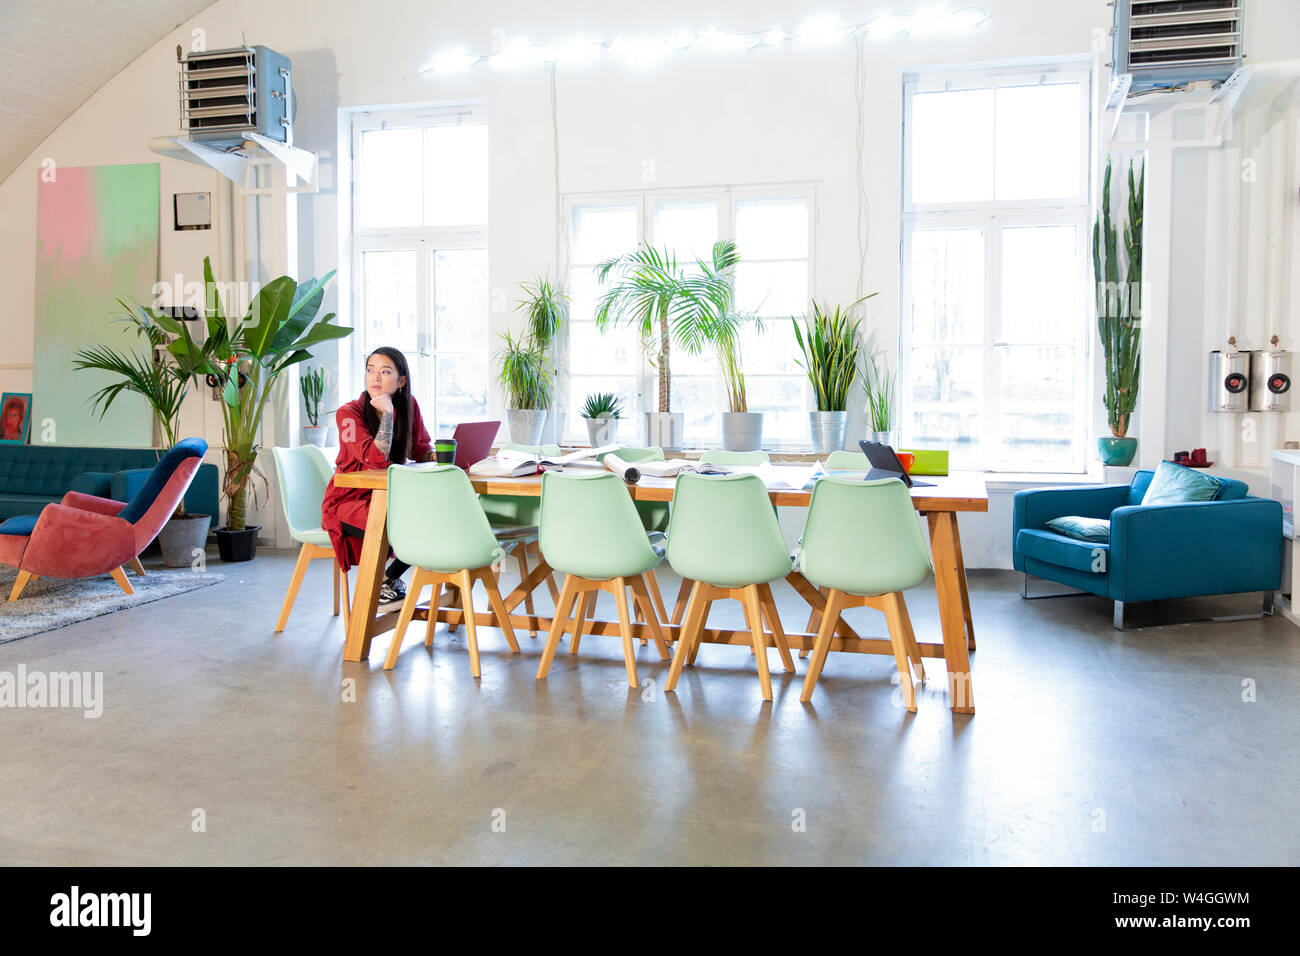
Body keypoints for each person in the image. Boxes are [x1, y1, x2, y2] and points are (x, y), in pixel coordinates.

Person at [322, 347, 434, 609]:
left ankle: (387, 580)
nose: (376, 378)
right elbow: (375, 460)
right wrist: (388, 415)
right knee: (409, 524)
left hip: (388, 498)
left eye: (385, 372)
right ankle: (381, 587)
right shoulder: (348, 414)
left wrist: (446, 456)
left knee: (432, 516)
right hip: (346, 504)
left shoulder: (410, 405)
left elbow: (420, 449)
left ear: (401, 380)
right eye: (371, 370)